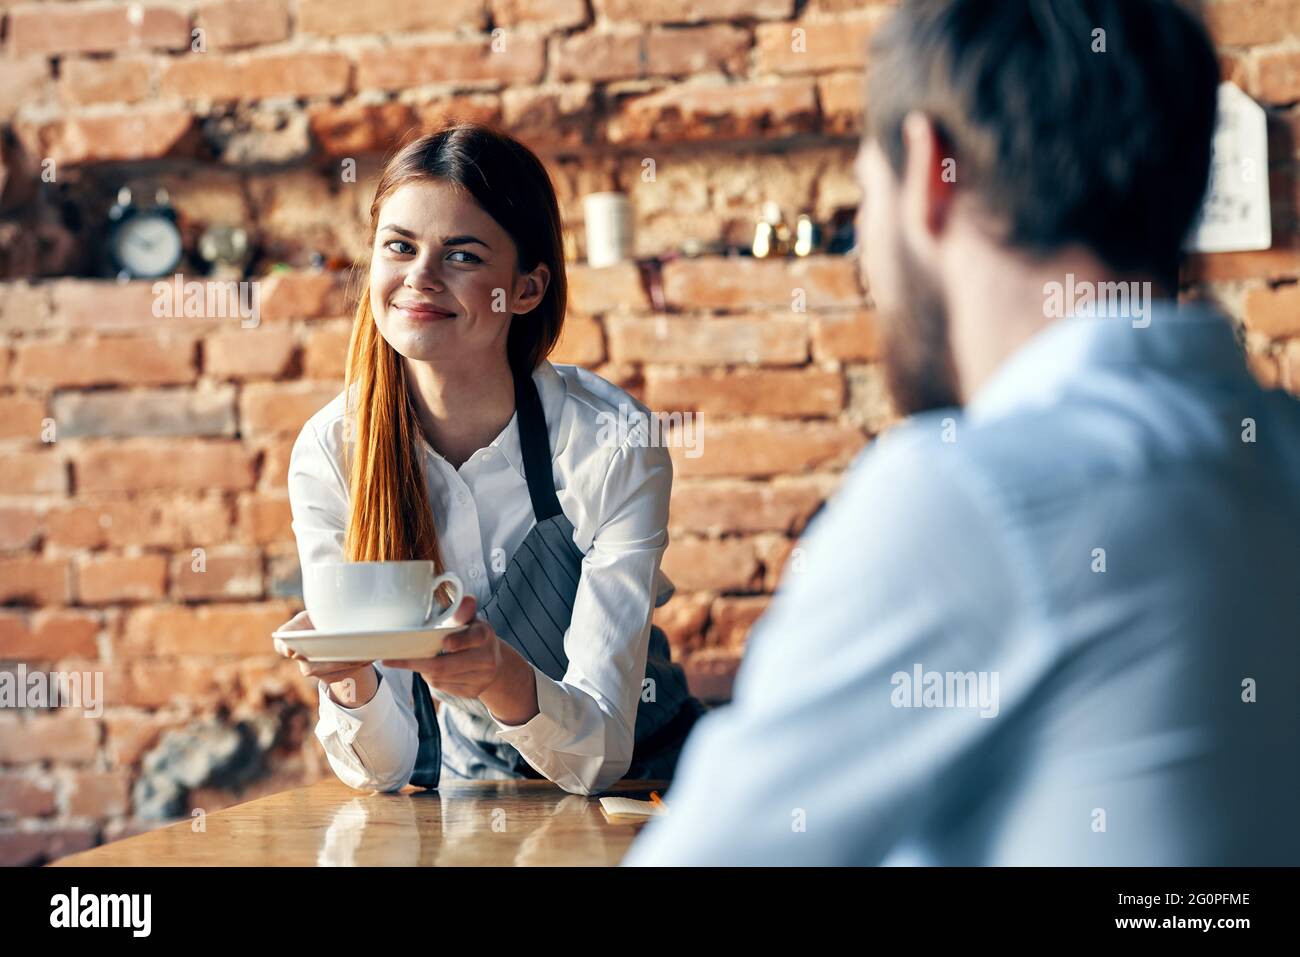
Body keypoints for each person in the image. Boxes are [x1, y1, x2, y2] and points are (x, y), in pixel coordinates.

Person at [625, 0, 1300, 865]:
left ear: (929, 169)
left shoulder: (963, 497)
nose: (864, 249)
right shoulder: (1272, 449)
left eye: (861, 197)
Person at [275, 124, 704, 796]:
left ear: (527, 289)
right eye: (400, 246)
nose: (420, 277)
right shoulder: (332, 453)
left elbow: (600, 754)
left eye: (463, 256)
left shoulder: (609, 442)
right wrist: (349, 676)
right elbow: (386, 770)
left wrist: (498, 676)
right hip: (478, 792)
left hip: (649, 782)